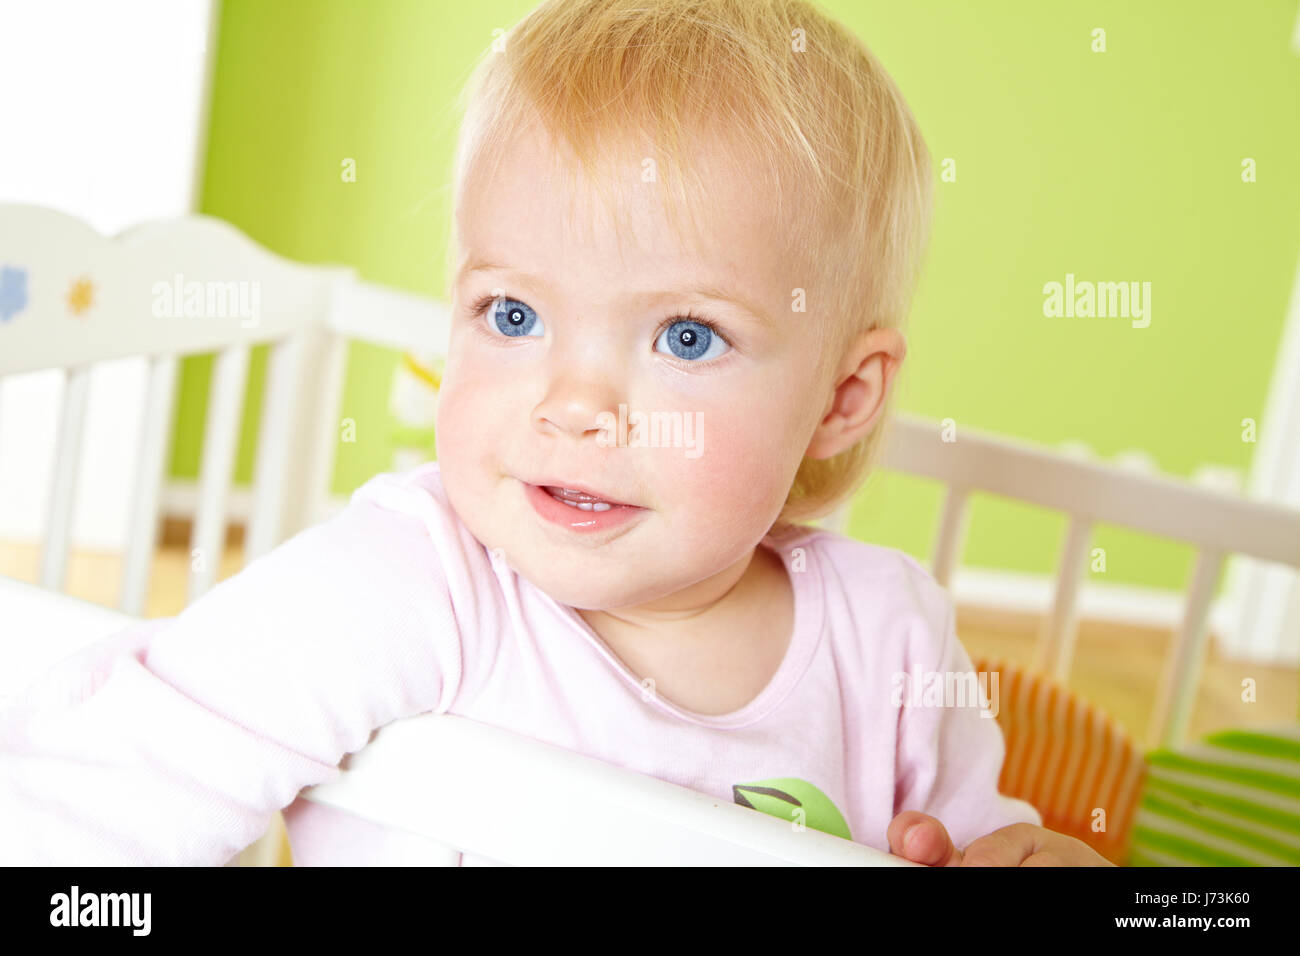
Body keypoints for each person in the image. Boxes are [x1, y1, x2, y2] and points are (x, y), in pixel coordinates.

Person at [0, 0, 1111, 866]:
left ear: (840, 397)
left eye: (685, 335)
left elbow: (977, 833)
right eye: (515, 315)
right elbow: (109, 787)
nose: (574, 403)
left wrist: (1017, 845)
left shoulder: (890, 636)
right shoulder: (410, 582)